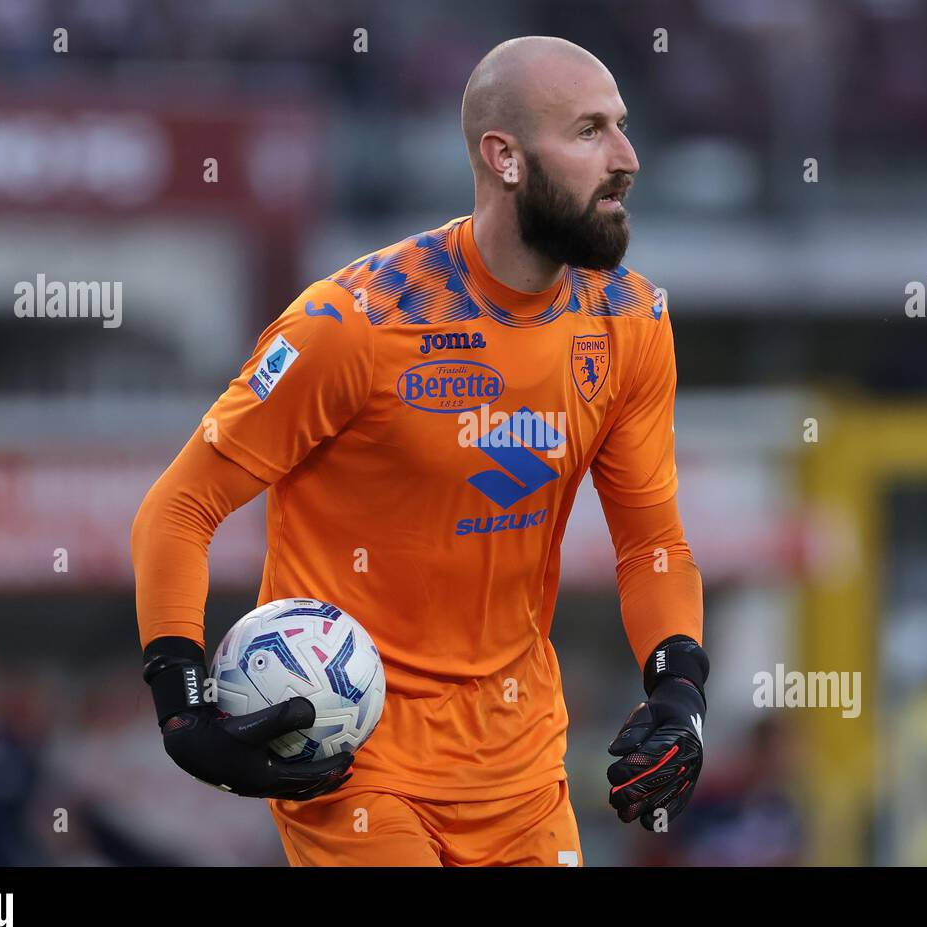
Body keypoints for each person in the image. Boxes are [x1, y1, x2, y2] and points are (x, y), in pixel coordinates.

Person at [131, 35, 708, 866]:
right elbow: (178, 510)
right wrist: (181, 710)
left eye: (620, 127)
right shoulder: (356, 324)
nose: (628, 158)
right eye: (589, 132)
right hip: (356, 763)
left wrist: (679, 686)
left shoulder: (632, 321)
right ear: (503, 158)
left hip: (522, 767)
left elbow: (652, 542)